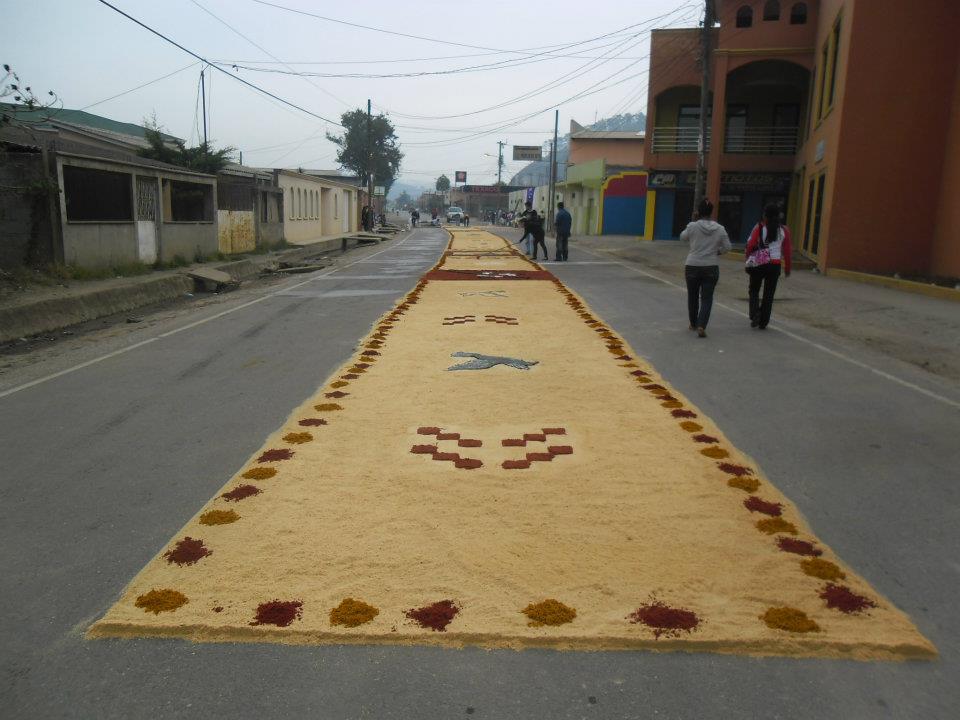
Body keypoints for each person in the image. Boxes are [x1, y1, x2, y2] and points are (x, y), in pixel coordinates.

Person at [681, 198, 731, 338]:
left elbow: (682, 237)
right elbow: (728, 247)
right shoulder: (720, 229)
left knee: (693, 296)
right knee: (707, 298)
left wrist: (692, 222)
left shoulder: (692, 226)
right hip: (711, 266)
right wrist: (717, 252)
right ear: (711, 212)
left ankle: (693, 323)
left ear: (698, 212)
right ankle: (702, 325)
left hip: (692, 265)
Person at [745, 203, 792, 329]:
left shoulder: (759, 227)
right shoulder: (784, 230)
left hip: (760, 259)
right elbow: (787, 251)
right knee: (769, 294)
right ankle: (763, 321)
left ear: (765, 215)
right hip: (775, 264)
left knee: (754, 289)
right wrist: (787, 268)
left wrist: (748, 258)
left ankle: (755, 313)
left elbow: (750, 245)